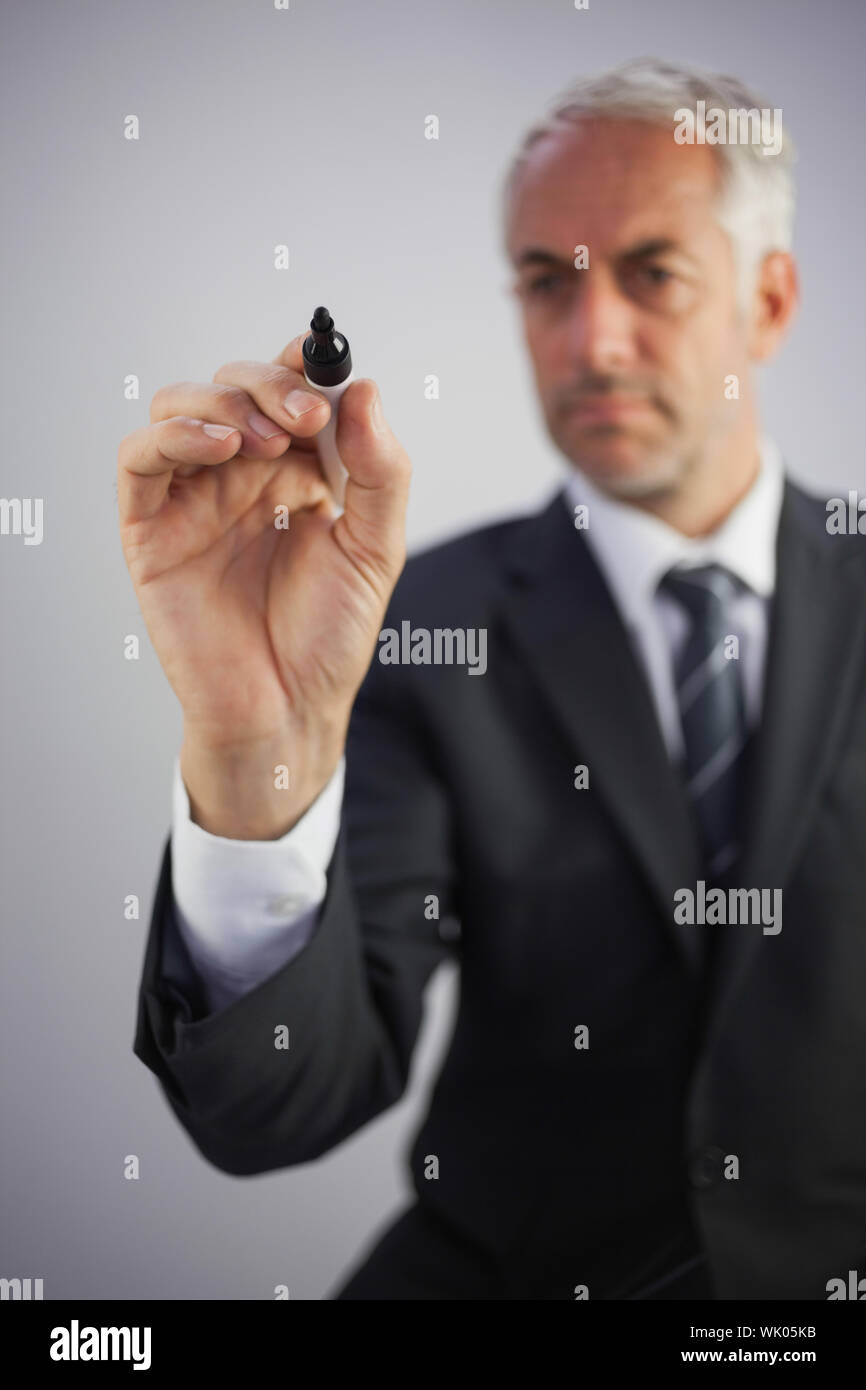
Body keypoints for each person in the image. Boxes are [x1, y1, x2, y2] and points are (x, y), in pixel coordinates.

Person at [118, 59, 866, 1300]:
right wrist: (252, 746)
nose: (591, 340)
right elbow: (278, 1106)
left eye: (651, 273)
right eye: (543, 283)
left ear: (769, 303)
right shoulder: (414, 623)